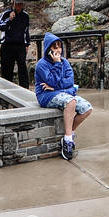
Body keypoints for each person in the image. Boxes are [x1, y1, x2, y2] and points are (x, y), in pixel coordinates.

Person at [33, 33, 91, 161]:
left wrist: (58, 87)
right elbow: (52, 81)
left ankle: (68, 133)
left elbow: (70, 81)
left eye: (59, 47)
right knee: (71, 102)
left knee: (87, 108)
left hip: (63, 92)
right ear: (48, 49)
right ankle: (68, 140)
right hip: (46, 95)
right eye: (54, 47)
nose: (58, 50)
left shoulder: (65, 62)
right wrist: (57, 64)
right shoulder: (42, 65)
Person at [0, 0, 31, 87]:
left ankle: (25, 88)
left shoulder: (25, 16)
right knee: (7, 69)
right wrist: (9, 19)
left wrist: (27, 44)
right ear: (13, 4)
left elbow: (26, 31)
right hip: (7, 45)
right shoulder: (6, 14)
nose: (19, 6)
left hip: (20, 45)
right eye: (17, 4)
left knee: (22, 68)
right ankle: (6, 89)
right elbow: (1, 26)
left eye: (21, 4)